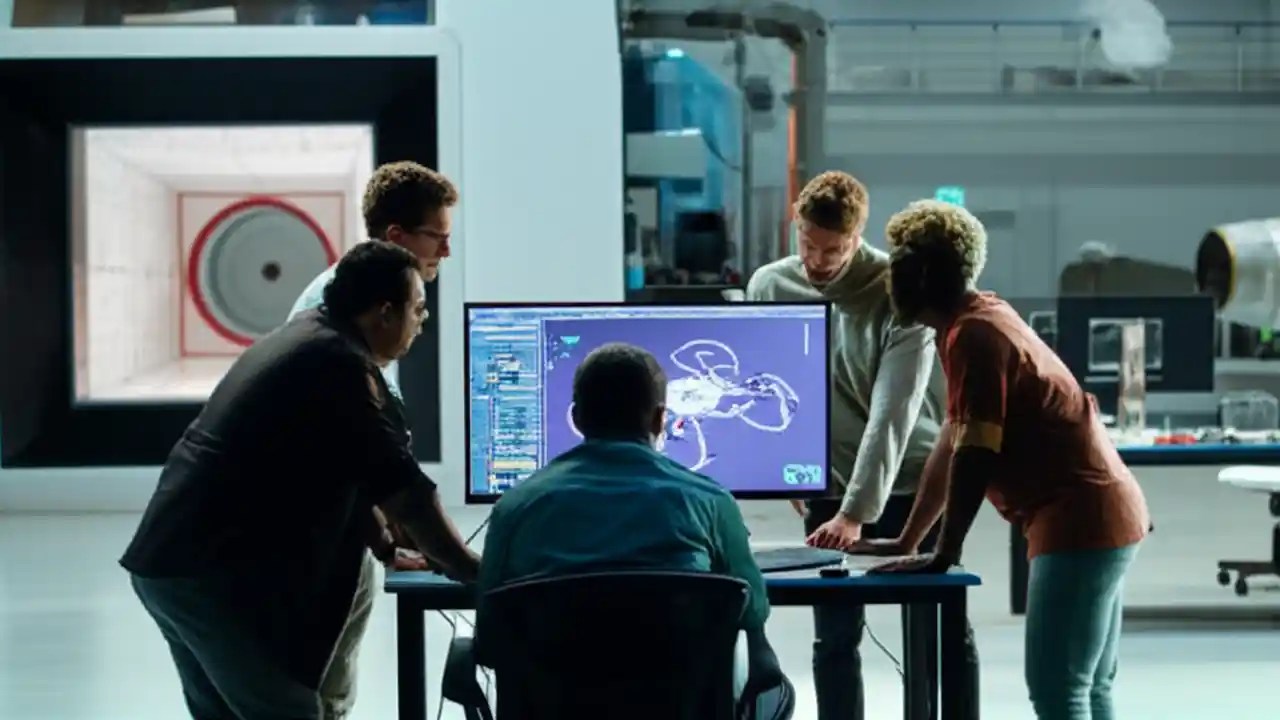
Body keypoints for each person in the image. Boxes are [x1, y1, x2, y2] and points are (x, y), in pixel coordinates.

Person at [121, 242, 481, 720]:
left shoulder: (311, 337)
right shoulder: (338, 366)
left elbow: (353, 473)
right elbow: (406, 491)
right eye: (418, 309)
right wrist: (476, 573)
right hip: (203, 577)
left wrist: (390, 550)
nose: (423, 322)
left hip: (170, 563)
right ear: (383, 312)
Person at [866, 199, 1151, 720]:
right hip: (1103, 513)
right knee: (1088, 688)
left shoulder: (974, 335)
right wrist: (912, 537)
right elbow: (955, 436)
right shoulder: (975, 319)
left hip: (1079, 521)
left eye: (901, 258)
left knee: (1059, 690)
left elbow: (976, 453)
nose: (892, 270)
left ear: (925, 271)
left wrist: (944, 552)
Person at [746, 170, 977, 720]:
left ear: (858, 236)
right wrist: (788, 471)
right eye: (808, 244)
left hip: (907, 478)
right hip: (827, 478)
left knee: (937, 623)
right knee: (834, 635)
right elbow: (768, 382)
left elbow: (891, 411)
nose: (819, 261)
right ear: (795, 227)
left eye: (834, 248)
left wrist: (856, 512)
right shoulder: (770, 286)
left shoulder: (896, 290)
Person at [475, 342, 790, 716]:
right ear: (660, 420)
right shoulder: (711, 502)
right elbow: (752, 608)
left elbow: (490, 640)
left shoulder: (516, 507)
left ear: (576, 418)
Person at [287, 160, 458, 719]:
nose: (446, 253)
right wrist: (465, 563)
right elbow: (374, 458)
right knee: (317, 695)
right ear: (396, 237)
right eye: (439, 236)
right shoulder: (345, 321)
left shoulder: (358, 303)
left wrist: (388, 544)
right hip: (307, 540)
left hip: (332, 531)